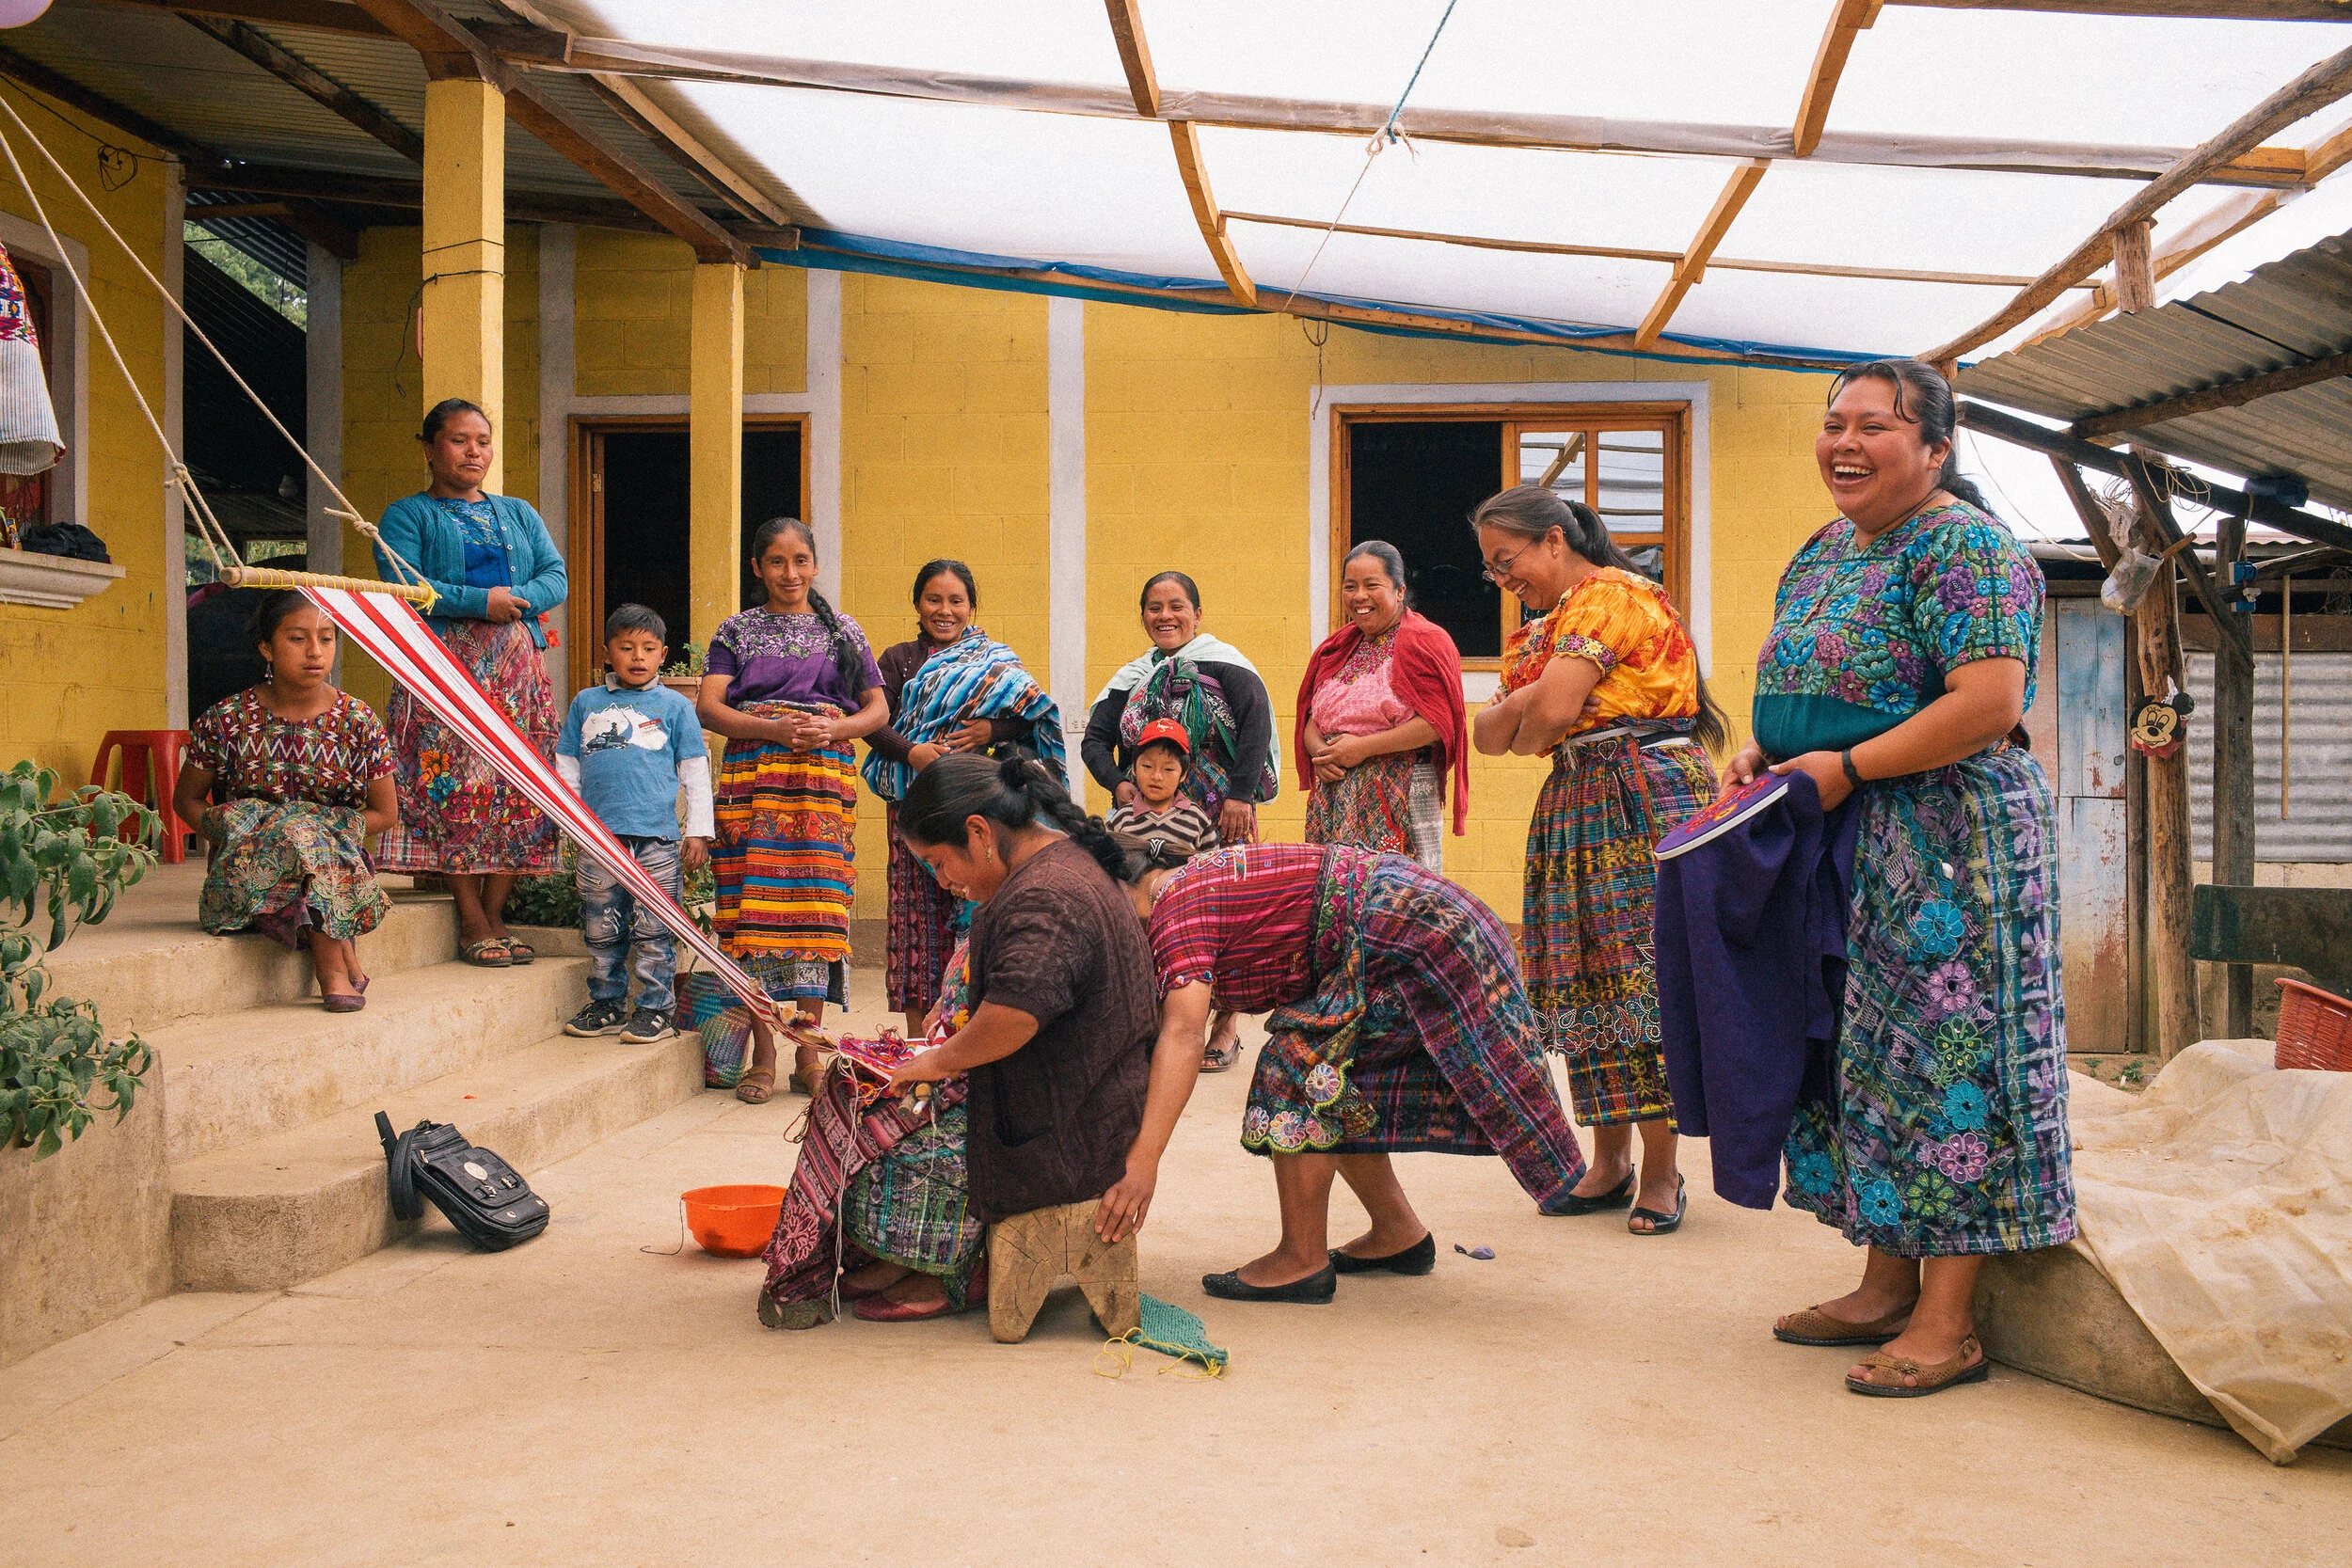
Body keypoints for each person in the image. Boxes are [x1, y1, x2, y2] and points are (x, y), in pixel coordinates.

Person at [1728, 357, 2069, 1398]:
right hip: (1836, 831)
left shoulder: (1967, 548)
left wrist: (1850, 765)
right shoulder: (1825, 548)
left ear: (1934, 447)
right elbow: (1805, 682)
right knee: (1855, 1056)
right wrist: (1763, 750)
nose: (1844, 442)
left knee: (1945, 1050)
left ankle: (1947, 1316)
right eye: (1833, 422)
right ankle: (1881, 1279)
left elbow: (1985, 699)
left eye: (1874, 425)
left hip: (1946, 841)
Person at [1094, 839, 1591, 1301]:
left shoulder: (1172, 905)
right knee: (1337, 1077)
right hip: (1423, 930)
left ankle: (1301, 1259)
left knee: (1297, 1066)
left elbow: (1183, 1035)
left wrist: (1144, 1162)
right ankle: (1397, 1231)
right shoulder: (1187, 889)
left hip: (1420, 938)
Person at [761, 752, 1159, 1328]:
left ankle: (948, 1269)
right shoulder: (1055, 870)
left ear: (979, 833)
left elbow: (1014, 1019)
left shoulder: (1047, 896)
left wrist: (937, 1062)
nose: (943, 881)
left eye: (939, 862)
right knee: (855, 1093)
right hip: (1080, 1102)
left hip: (1070, 1135)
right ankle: (902, 1258)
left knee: (877, 1124)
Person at [1471, 485, 1727, 1237]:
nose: (1502, 577)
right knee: (1581, 974)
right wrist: (1532, 712)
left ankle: (1661, 1169)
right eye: (1491, 569)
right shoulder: (1544, 628)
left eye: (1506, 559)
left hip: (1642, 795)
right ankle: (1608, 1157)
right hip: (1578, 796)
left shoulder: (1612, 594)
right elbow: (1490, 737)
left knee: (1643, 974)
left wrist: (1535, 711)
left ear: (1554, 539)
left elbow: (1541, 718)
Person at [370, 398, 566, 968]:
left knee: (519, 786)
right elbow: (403, 583)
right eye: (459, 440)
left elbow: (556, 576)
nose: (474, 451)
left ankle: (497, 910)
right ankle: (472, 916)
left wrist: (517, 601)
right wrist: (483, 601)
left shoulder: (520, 513)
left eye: (482, 440)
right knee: (453, 787)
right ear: (430, 449)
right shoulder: (407, 516)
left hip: (517, 679)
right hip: (443, 677)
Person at [696, 517, 887, 1104]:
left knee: (816, 913)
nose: (790, 573)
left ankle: (808, 1050)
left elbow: (876, 711)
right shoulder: (737, 630)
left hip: (821, 785)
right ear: (757, 568)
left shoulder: (844, 632)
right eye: (777, 562)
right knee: (752, 914)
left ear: (816, 565)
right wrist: (772, 728)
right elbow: (709, 707)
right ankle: (764, 1051)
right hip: (755, 781)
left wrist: (834, 729)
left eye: (800, 560)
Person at [1082, 570, 1279, 1069]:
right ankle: (1158, 1026)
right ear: (1143, 615)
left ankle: (1226, 1028)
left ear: (1197, 613)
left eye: (1176, 606)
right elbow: (1093, 740)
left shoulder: (1226, 664)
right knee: (1147, 917)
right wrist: (1119, 784)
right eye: (1154, 607)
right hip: (1145, 823)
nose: (1165, 616)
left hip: (1219, 817)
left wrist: (1238, 798)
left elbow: (1256, 725)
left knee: (1224, 919)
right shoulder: (1132, 677)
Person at [861, 559, 1062, 1037]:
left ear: (972, 606)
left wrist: (990, 729)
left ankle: (966, 1031)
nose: (945, 610)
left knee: (978, 910)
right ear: (917, 604)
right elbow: (871, 720)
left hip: (975, 808)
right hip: (913, 806)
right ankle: (916, 1039)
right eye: (934, 599)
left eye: (956, 601)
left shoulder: (995, 661)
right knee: (915, 920)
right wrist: (912, 752)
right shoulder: (898, 659)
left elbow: (1031, 715)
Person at [174, 591, 396, 1011]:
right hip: (247, 874)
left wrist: (314, 828)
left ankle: (330, 960)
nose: (315, 652)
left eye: (326, 639)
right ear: (266, 648)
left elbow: (385, 814)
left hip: (339, 863)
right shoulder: (226, 719)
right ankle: (335, 958)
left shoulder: (359, 722)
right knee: (288, 827)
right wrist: (242, 828)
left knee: (304, 828)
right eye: (297, 639)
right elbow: (186, 801)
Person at [555, 604, 713, 1045]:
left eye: (647, 648)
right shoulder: (586, 703)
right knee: (601, 923)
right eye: (627, 648)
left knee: (655, 927)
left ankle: (655, 1010)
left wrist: (699, 831)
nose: (637, 657)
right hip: (598, 840)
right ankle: (607, 1003)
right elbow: (566, 765)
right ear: (608, 653)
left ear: (663, 654)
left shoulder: (676, 707)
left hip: (657, 840)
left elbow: (696, 771)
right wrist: (572, 822)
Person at [1295, 539, 1469, 871]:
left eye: (1371, 585)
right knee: (1336, 898)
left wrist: (1362, 748)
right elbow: (1313, 717)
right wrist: (1321, 753)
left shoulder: (1426, 641)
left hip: (1401, 791)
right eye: (1350, 586)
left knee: (1400, 899)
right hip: (1333, 797)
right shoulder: (1338, 647)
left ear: (1400, 590)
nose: (1359, 596)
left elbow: (1438, 723)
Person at [1103, 720, 1218, 869]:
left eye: (1168, 769)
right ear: (1134, 769)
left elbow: (1213, 864)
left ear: (1183, 774)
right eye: (1147, 766)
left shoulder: (1196, 818)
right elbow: (1105, 866)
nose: (1157, 776)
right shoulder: (1121, 818)